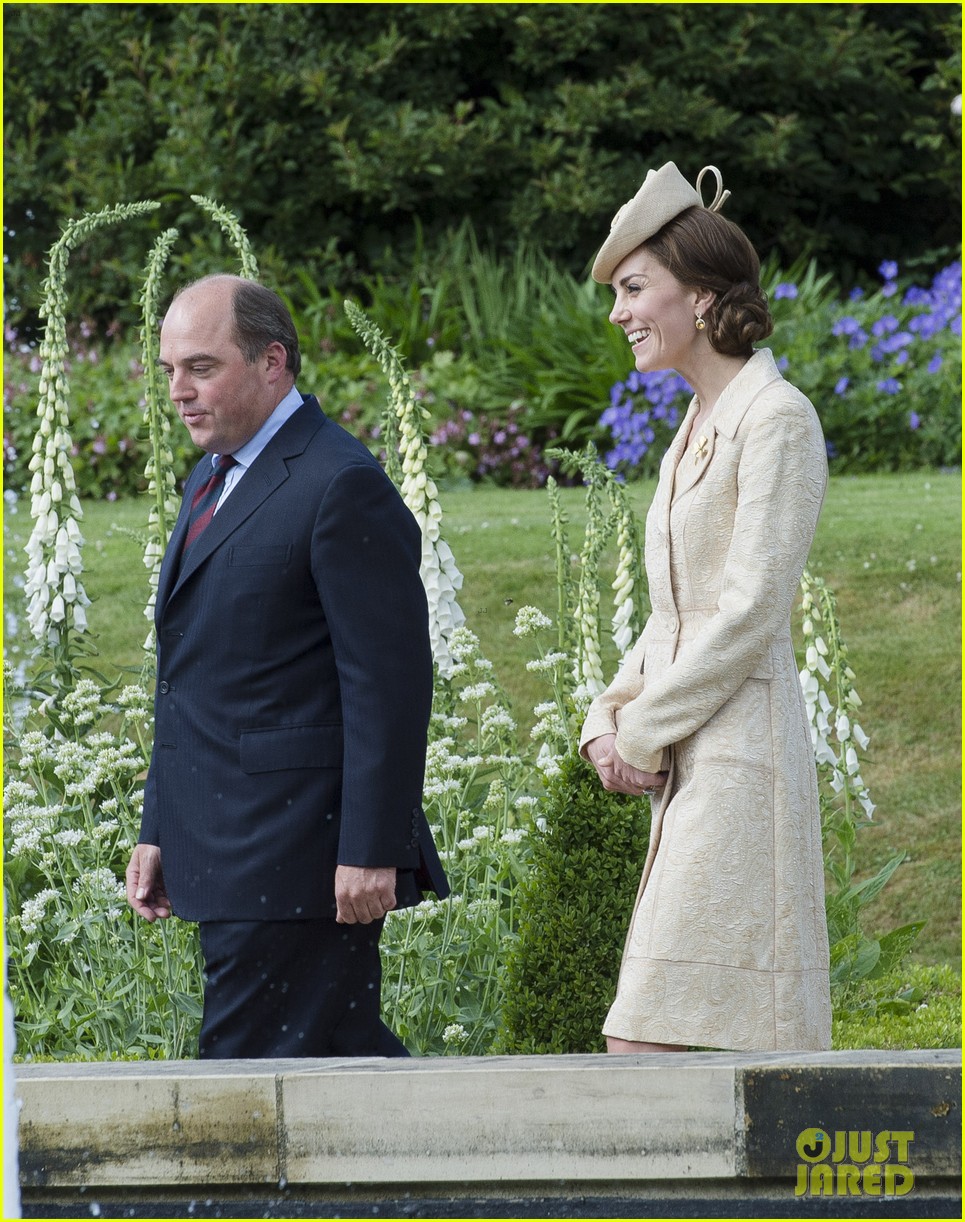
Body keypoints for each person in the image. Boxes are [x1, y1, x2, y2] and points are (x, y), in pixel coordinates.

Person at [125, 273, 449, 1058]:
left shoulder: (341, 484)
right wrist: (161, 827)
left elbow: (388, 687)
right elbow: (190, 676)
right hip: (229, 852)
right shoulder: (212, 475)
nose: (179, 391)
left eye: (201, 367)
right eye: (170, 370)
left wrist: (372, 849)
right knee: (325, 1073)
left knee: (252, 1087)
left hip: (303, 860)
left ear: (272, 362)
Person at [581, 162, 832, 1054]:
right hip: (692, 753)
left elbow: (751, 610)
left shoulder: (775, 419)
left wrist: (642, 733)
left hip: (740, 760)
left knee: (658, 1039)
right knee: (662, 1037)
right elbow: (671, 614)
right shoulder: (693, 426)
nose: (618, 312)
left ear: (700, 297)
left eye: (633, 287)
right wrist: (606, 716)